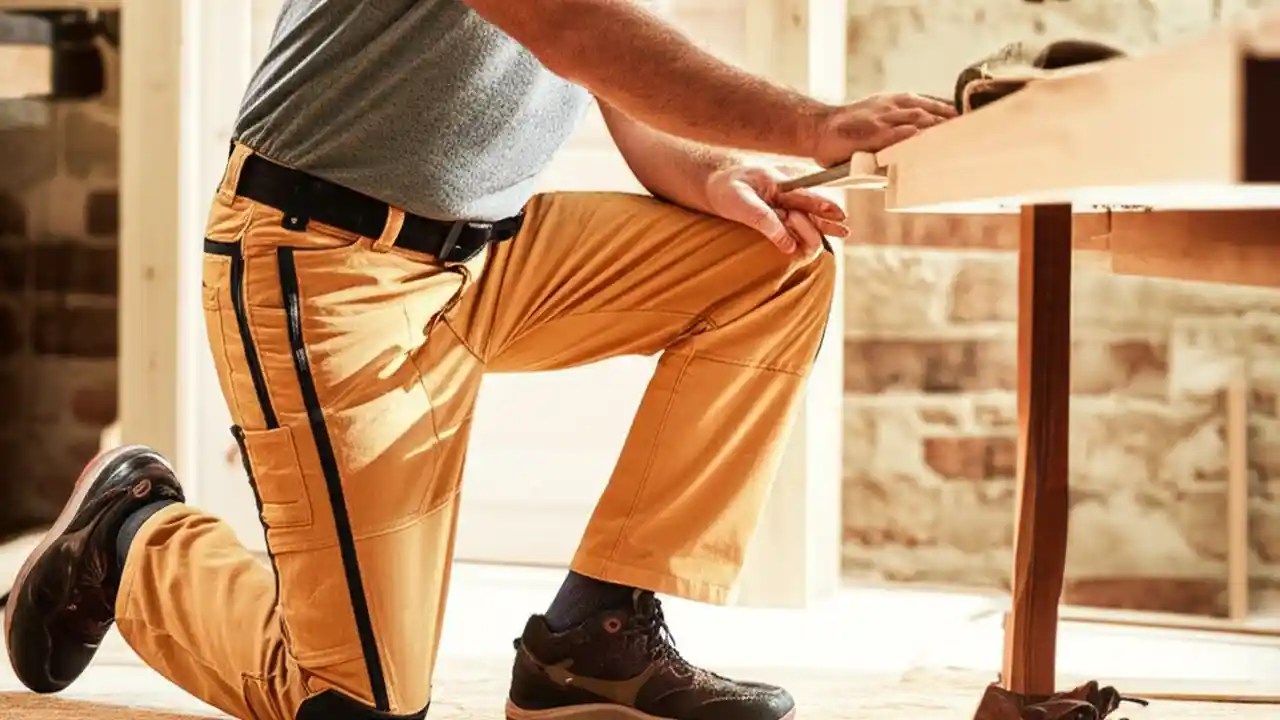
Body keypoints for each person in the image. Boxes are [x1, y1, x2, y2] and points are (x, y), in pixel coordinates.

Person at [5, 2, 954, 719]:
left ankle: (595, 638)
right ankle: (131, 540)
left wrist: (706, 172)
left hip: (489, 253)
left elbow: (596, 59)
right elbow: (568, 27)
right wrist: (816, 124)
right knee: (352, 699)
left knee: (770, 267)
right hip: (323, 263)